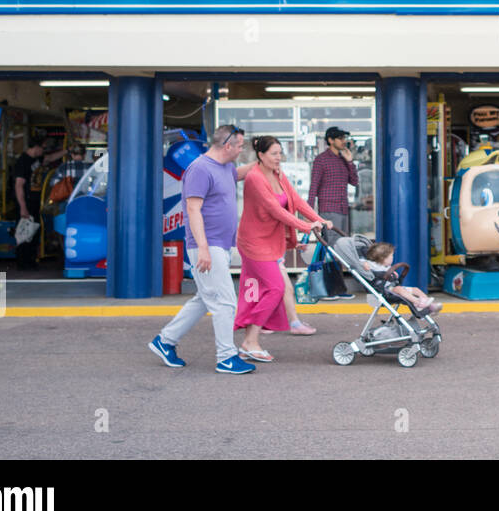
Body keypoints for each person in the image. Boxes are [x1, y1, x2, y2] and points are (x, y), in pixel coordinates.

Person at [149, 125, 257, 375]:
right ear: (227, 145)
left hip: (220, 244)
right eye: (240, 145)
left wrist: (261, 163)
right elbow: (193, 210)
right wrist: (204, 249)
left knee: (204, 298)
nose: (242, 149)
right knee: (225, 302)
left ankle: (165, 341)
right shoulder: (199, 169)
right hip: (207, 246)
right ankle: (226, 357)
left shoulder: (225, 167)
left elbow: (236, 175)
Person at [236, 136, 329, 362]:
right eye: (274, 154)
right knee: (276, 288)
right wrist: (307, 226)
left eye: (280, 153)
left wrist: (320, 220)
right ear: (261, 155)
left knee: (270, 289)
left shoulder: (278, 174)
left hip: (271, 241)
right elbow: (276, 211)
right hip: (254, 242)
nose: (279, 158)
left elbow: (295, 201)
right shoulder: (255, 178)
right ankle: (250, 341)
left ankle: (250, 342)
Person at [308, 126, 358, 299]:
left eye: (344, 138)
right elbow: (313, 186)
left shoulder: (344, 159)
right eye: (340, 138)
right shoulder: (321, 160)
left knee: (341, 248)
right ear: (330, 140)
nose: (343, 141)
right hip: (329, 210)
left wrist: (350, 162)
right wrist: (309, 212)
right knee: (332, 250)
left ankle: (337, 289)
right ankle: (333, 290)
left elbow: (354, 181)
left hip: (343, 209)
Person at [7, 135, 65, 270]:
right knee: (25, 232)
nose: (44, 151)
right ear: (35, 147)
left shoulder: (37, 158)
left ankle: (31, 261)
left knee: (34, 232)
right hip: (25, 201)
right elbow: (18, 185)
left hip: (35, 201)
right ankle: (23, 263)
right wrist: (22, 207)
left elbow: (50, 158)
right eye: (42, 148)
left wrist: (66, 151)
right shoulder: (22, 162)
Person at [363, 242, 442, 315]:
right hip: (384, 291)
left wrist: (393, 273)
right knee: (399, 289)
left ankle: (429, 305)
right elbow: (362, 263)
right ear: (382, 257)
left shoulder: (386, 266)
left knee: (416, 289)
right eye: (391, 256)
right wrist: (365, 264)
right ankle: (418, 303)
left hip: (392, 288)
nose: (392, 257)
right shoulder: (373, 265)